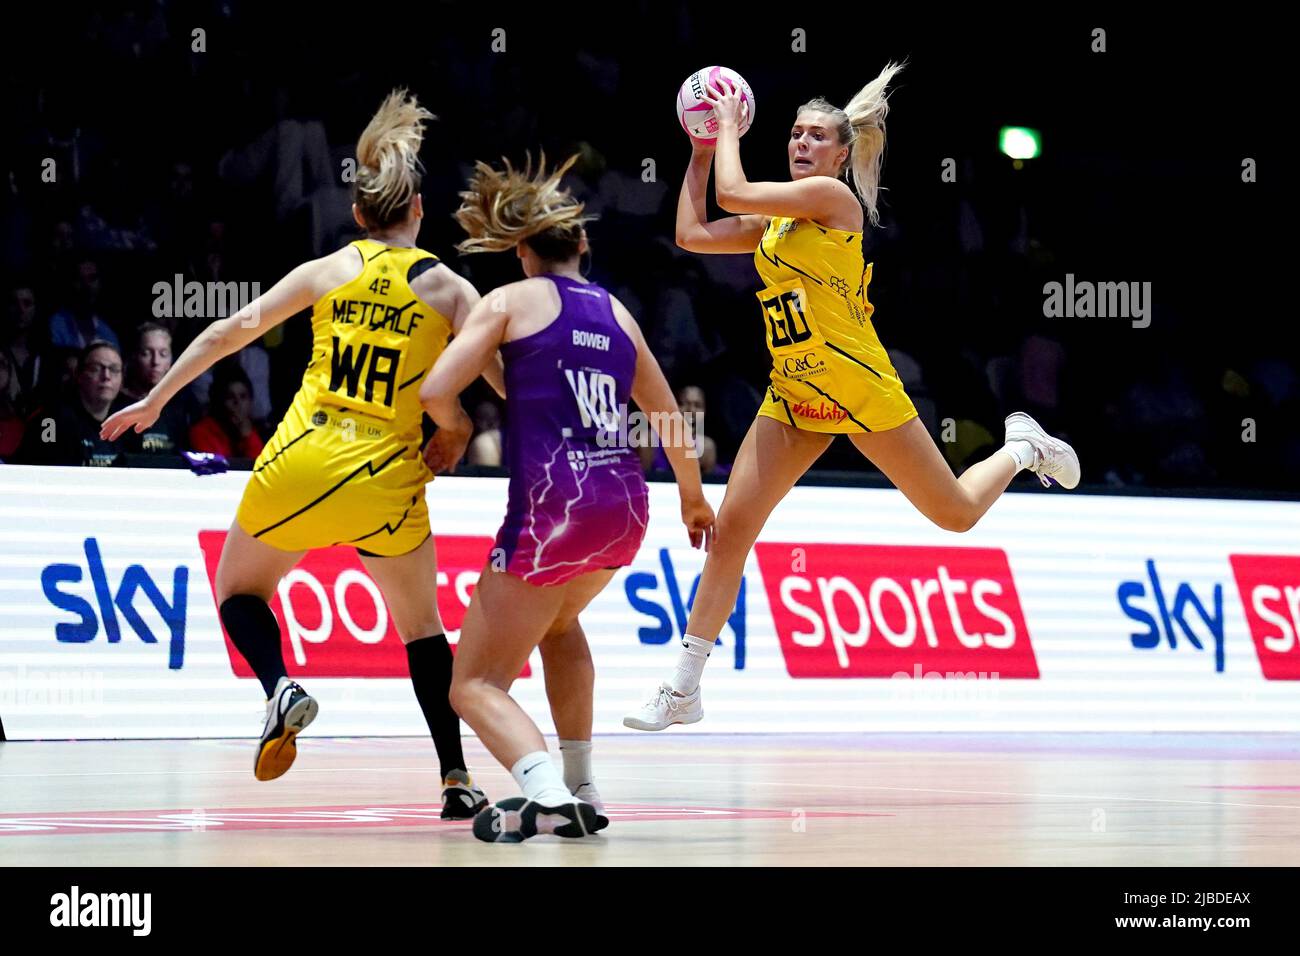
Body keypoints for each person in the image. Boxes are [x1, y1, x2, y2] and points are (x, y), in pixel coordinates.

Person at [624, 64, 1080, 731]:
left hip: (861, 390)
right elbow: (694, 232)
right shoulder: (776, 225)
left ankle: (1019, 448)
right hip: (794, 395)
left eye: (816, 137)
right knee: (729, 535)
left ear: (841, 155)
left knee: (953, 515)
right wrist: (697, 153)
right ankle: (684, 687)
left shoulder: (837, 205)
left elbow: (735, 187)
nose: (802, 144)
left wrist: (721, 134)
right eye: (795, 134)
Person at [101, 90, 501, 818]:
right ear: (418, 212)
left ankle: (280, 686)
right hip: (387, 480)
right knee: (423, 634)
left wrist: (156, 398)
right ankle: (454, 777)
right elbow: (508, 385)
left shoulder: (329, 268)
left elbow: (230, 331)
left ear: (357, 215)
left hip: (301, 463)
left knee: (237, 594)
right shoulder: (451, 288)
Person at [420, 154, 715, 842]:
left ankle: (545, 788)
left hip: (555, 510)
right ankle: (583, 784)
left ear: (521, 250)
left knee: (473, 684)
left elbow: (437, 389)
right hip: (624, 510)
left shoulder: (506, 303)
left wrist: (456, 429)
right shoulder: (616, 312)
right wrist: (694, 501)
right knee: (557, 625)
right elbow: (671, 417)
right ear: (582, 244)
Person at [18, 341, 128, 467]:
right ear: (78, 375)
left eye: (114, 370)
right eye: (95, 368)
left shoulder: (127, 420)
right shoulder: (51, 420)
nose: (106, 376)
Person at [188, 363, 265, 459]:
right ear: (219, 401)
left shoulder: (257, 432)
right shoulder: (201, 432)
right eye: (230, 397)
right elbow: (215, 469)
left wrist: (249, 438)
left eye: (243, 396)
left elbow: (261, 468)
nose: (238, 403)